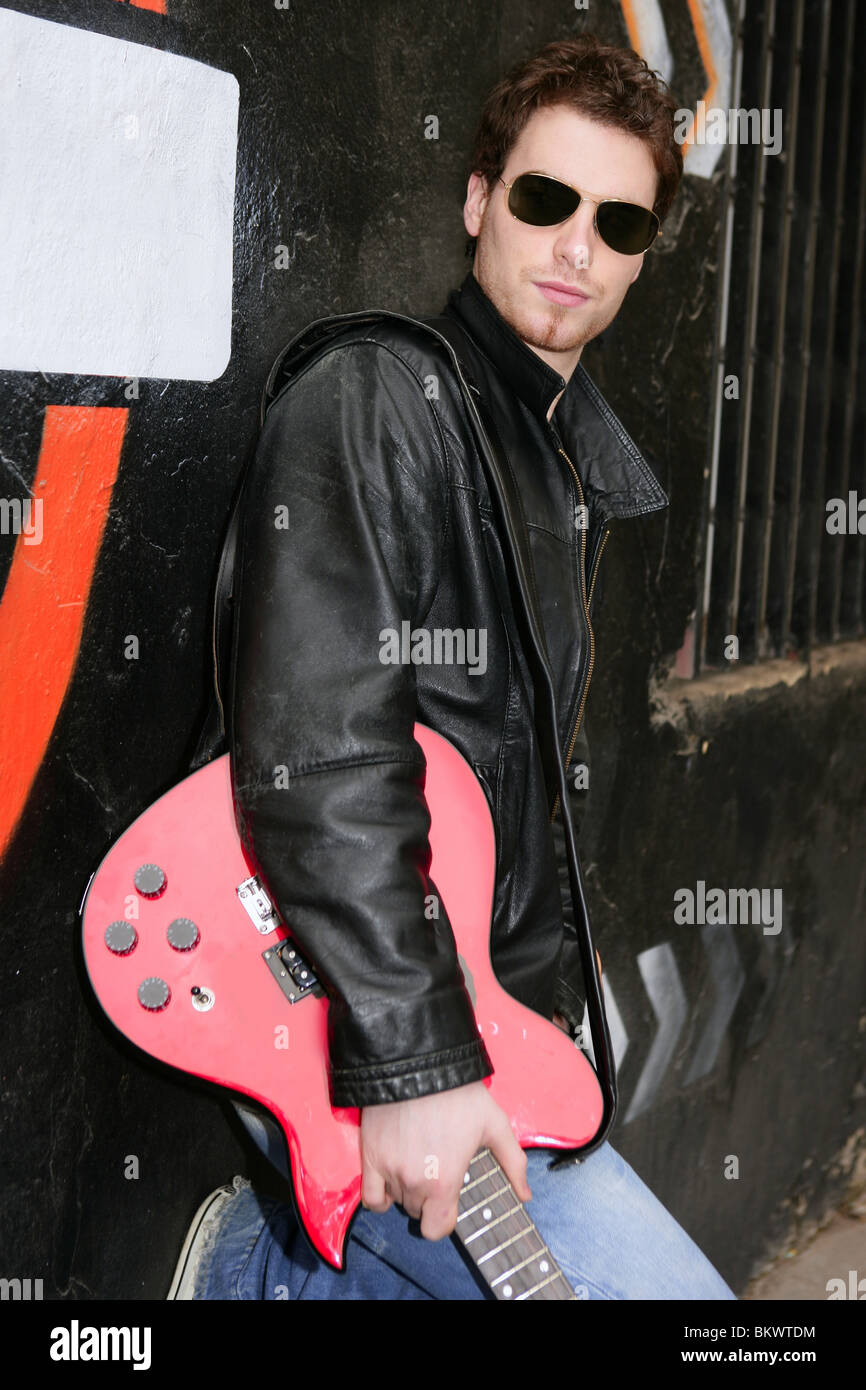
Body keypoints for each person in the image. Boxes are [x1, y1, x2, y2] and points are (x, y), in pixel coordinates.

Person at [168, 34, 736, 1301]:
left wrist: (540, 961)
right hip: (344, 1024)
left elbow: (490, 769)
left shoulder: (560, 459)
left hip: (473, 1021)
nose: (576, 246)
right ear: (478, 200)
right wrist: (415, 1065)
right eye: (543, 199)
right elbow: (321, 753)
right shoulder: (375, 397)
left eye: (619, 221)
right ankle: (260, 1260)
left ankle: (282, 1270)